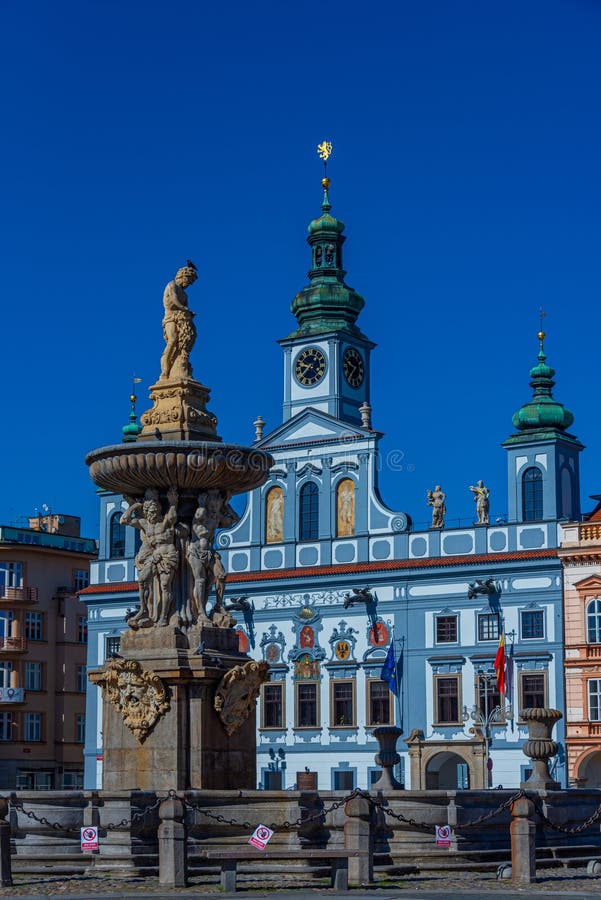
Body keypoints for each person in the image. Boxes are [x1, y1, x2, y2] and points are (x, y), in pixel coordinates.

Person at [121, 487, 179, 626]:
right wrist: (135, 506)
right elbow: (124, 520)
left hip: (167, 555)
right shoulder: (145, 524)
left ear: (159, 509)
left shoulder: (164, 521)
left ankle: (164, 617)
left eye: (154, 510)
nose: (152, 513)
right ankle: (143, 609)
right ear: (146, 512)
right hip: (154, 556)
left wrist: (173, 503)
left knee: (165, 585)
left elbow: (172, 517)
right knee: (142, 580)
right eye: (149, 511)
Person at [160, 263, 198, 380]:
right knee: (172, 340)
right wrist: (184, 309)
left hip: (181, 318)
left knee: (184, 343)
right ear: (182, 276)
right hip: (170, 318)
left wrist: (189, 313)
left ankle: (179, 365)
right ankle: (165, 371)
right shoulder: (172, 285)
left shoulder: (185, 294)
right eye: (188, 280)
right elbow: (174, 299)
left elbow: (185, 306)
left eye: (190, 282)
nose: (188, 284)